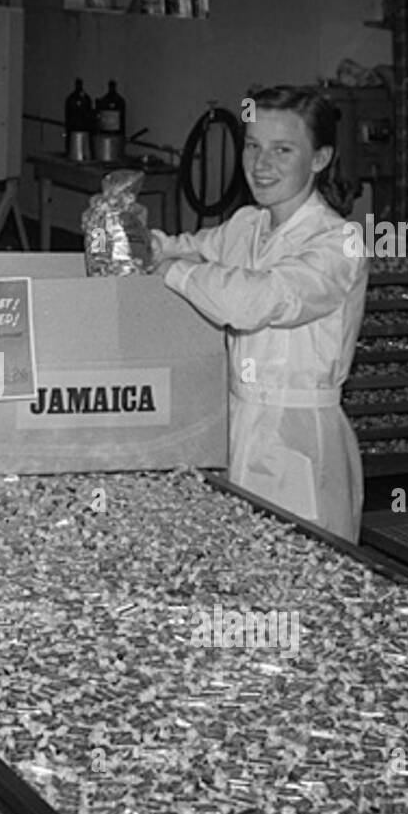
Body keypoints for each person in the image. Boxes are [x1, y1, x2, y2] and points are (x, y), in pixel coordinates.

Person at [148, 86, 368, 542]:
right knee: (238, 566)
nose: (260, 164)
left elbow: (256, 302)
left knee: (302, 575)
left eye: (282, 150)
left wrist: (172, 270)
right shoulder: (247, 225)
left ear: (321, 159)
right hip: (236, 423)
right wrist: (132, 236)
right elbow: (183, 247)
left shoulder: (338, 242)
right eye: (252, 146)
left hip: (299, 438)